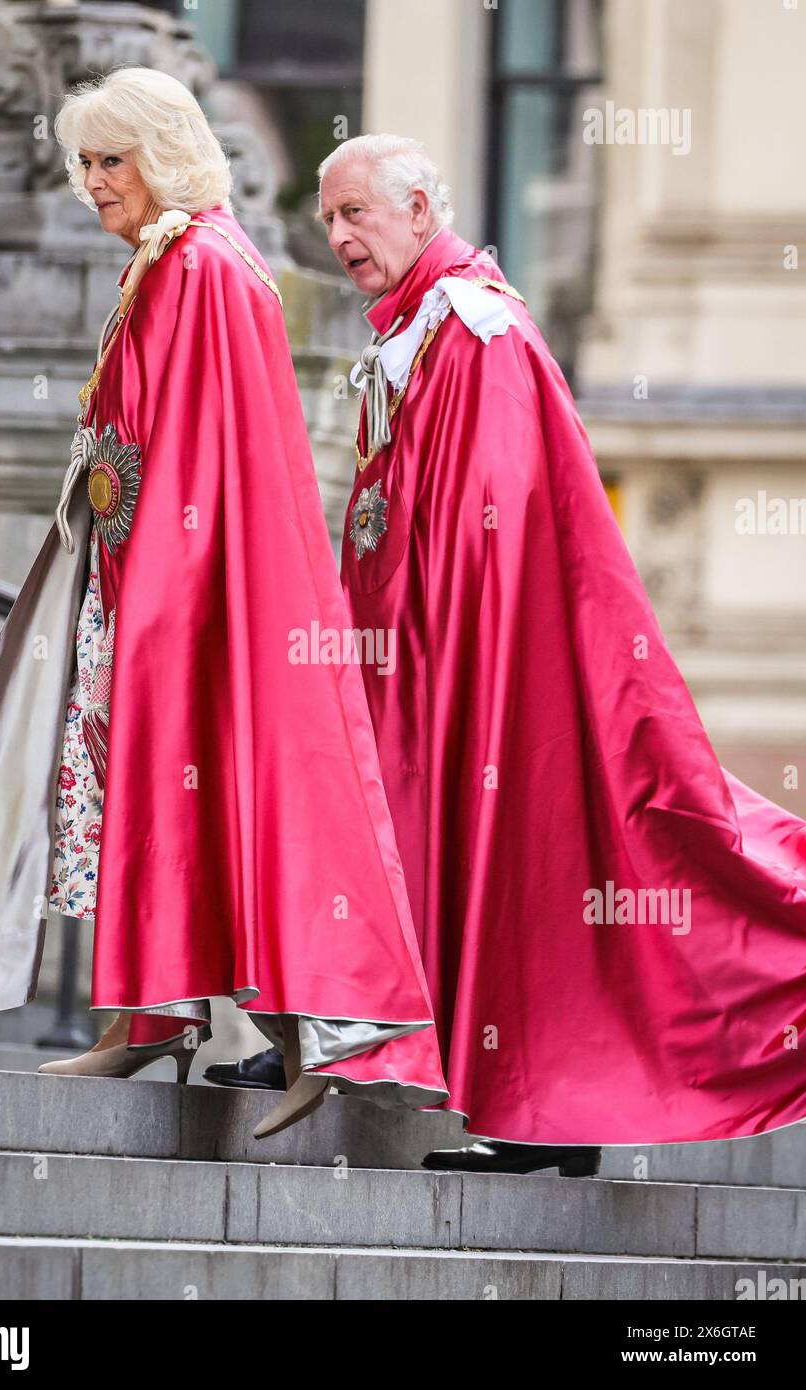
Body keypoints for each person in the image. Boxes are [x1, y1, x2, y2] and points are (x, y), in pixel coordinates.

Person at [207, 133, 806, 1173]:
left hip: (486, 676)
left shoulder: (480, 334)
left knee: (527, 863)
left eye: (358, 214)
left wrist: (445, 674)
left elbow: (497, 529)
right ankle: (345, 1036)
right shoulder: (419, 334)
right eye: (329, 218)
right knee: (373, 842)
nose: (339, 236)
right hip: (409, 667)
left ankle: (531, 1109)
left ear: (423, 208)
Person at [0, 82, 448, 1140]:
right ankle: (155, 1012)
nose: (93, 183)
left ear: (162, 153)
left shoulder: (203, 266)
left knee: (224, 788)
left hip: (184, 586)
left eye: (113, 161)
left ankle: (282, 1027)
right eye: (85, 164)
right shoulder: (180, 260)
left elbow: (203, 459)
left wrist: (160, 597)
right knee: (181, 791)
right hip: (150, 573)